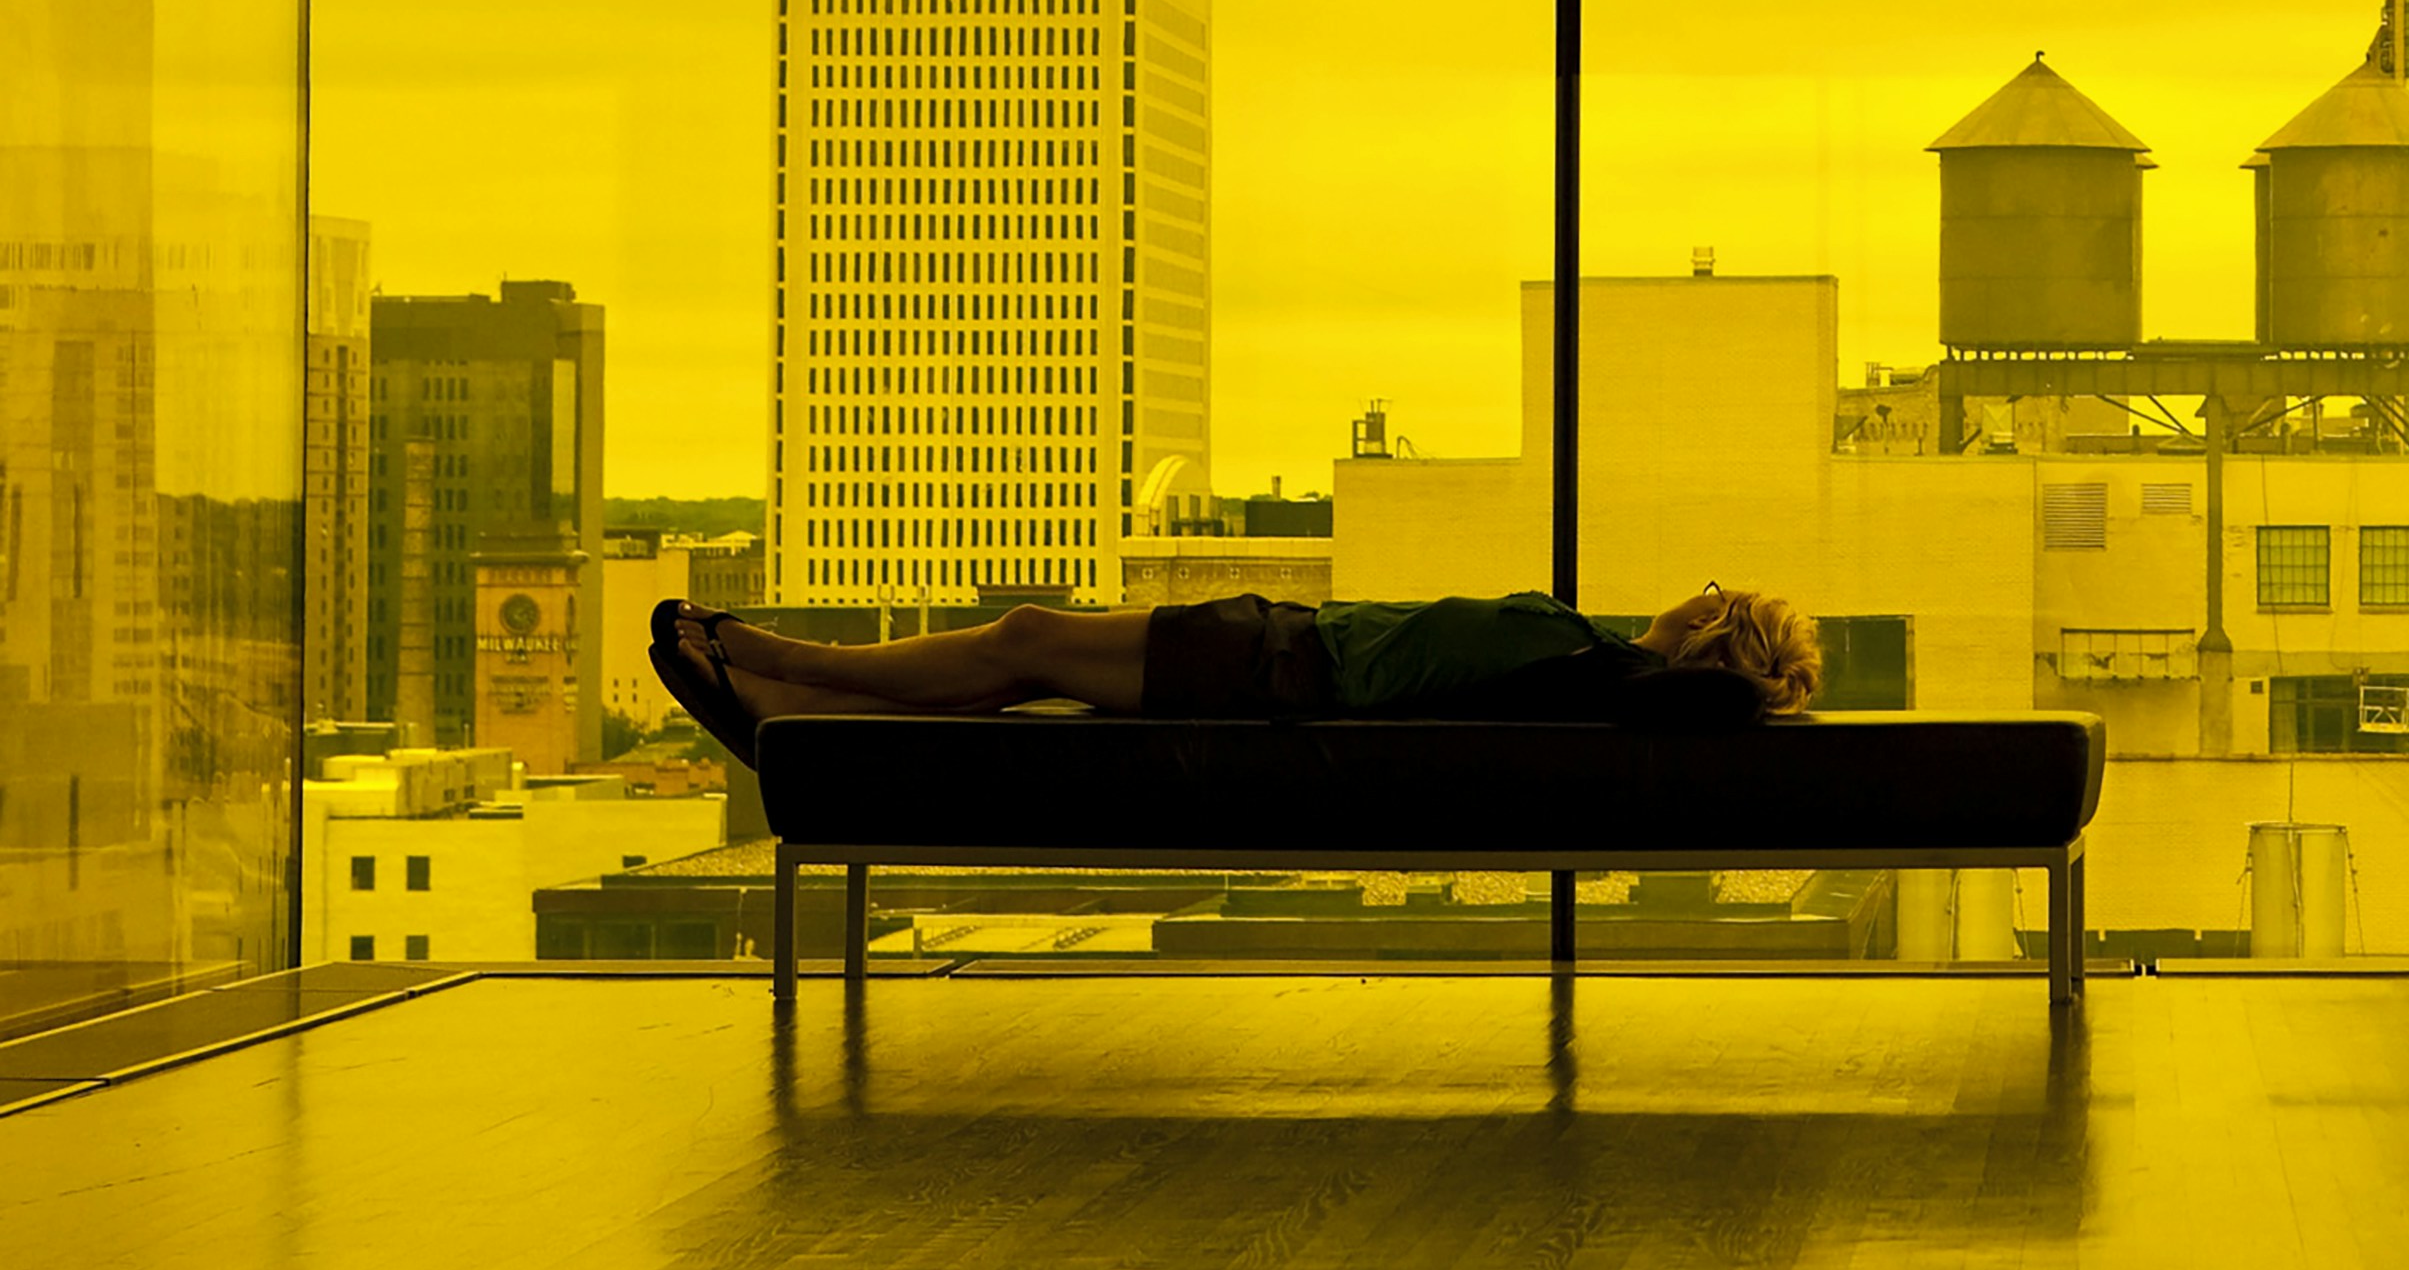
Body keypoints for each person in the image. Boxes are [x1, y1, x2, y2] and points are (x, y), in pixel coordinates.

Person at [647, 583, 1815, 759]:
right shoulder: (1594, 659)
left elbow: (1715, 702)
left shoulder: (1607, 668)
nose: (1692, 588)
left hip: (1278, 663)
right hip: (1278, 650)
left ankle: (771, 657)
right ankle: (793, 706)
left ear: (1713, 638)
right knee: (1019, 664)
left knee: (1021, 641)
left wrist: (1743, 675)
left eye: (1717, 597)